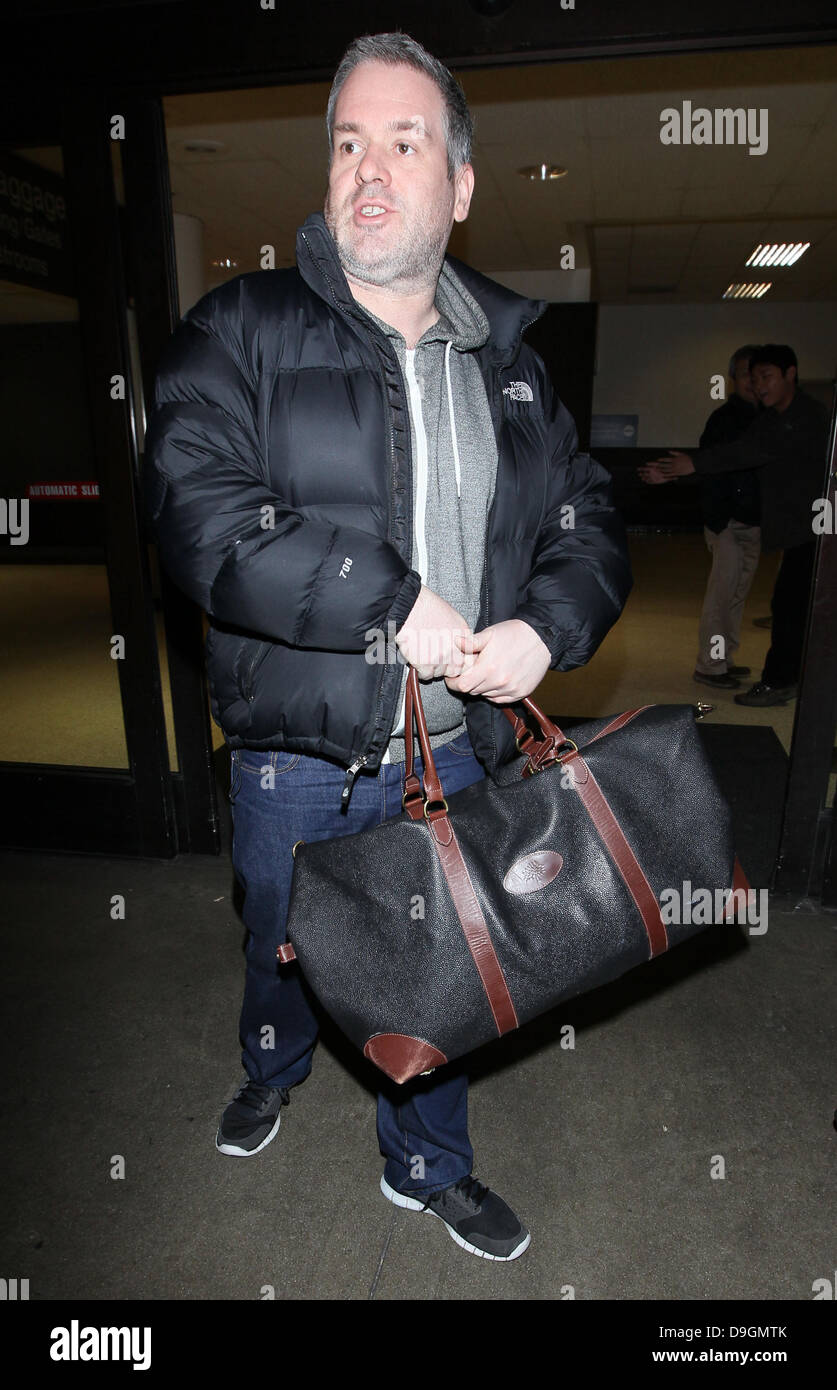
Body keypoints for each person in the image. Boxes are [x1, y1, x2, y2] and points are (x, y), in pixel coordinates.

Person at [144, 31, 631, 1262]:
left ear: (459, 186)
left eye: (404, 141)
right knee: (281, 941)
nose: (369, 165)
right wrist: (385, 598)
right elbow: (195, 508)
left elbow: (590, 518)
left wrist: (545, 624)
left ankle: (428, 1166)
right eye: (349, 141)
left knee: (435, 969)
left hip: (455, 751)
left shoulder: (510, 370)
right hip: (293, 750)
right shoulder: (245, 325)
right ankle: (274, 1058)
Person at [649, 345, 828, 706]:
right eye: (752, 376)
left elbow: (750, 454)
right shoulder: (753, 418)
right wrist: (684, 472)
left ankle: (779, 678)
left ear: (790, 374)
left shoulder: (803, 416)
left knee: (788, 605)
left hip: (813, 528)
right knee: (765, 601)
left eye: (766, 376)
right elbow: (731, 462)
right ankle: (727, 667)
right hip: (748, 525)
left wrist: (691, 466)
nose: (758, 384)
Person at [641, 346, 762, 690]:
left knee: (737, 595)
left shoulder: (765, 419)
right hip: (724, 523)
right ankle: (710, 666)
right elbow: (710, 465)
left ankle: (725, 658)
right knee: (721, 595)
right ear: (733, 379)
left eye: (756, 374)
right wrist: (677, 476)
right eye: (743, 374)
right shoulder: (724, 419)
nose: (750, 381)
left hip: (752, 521)